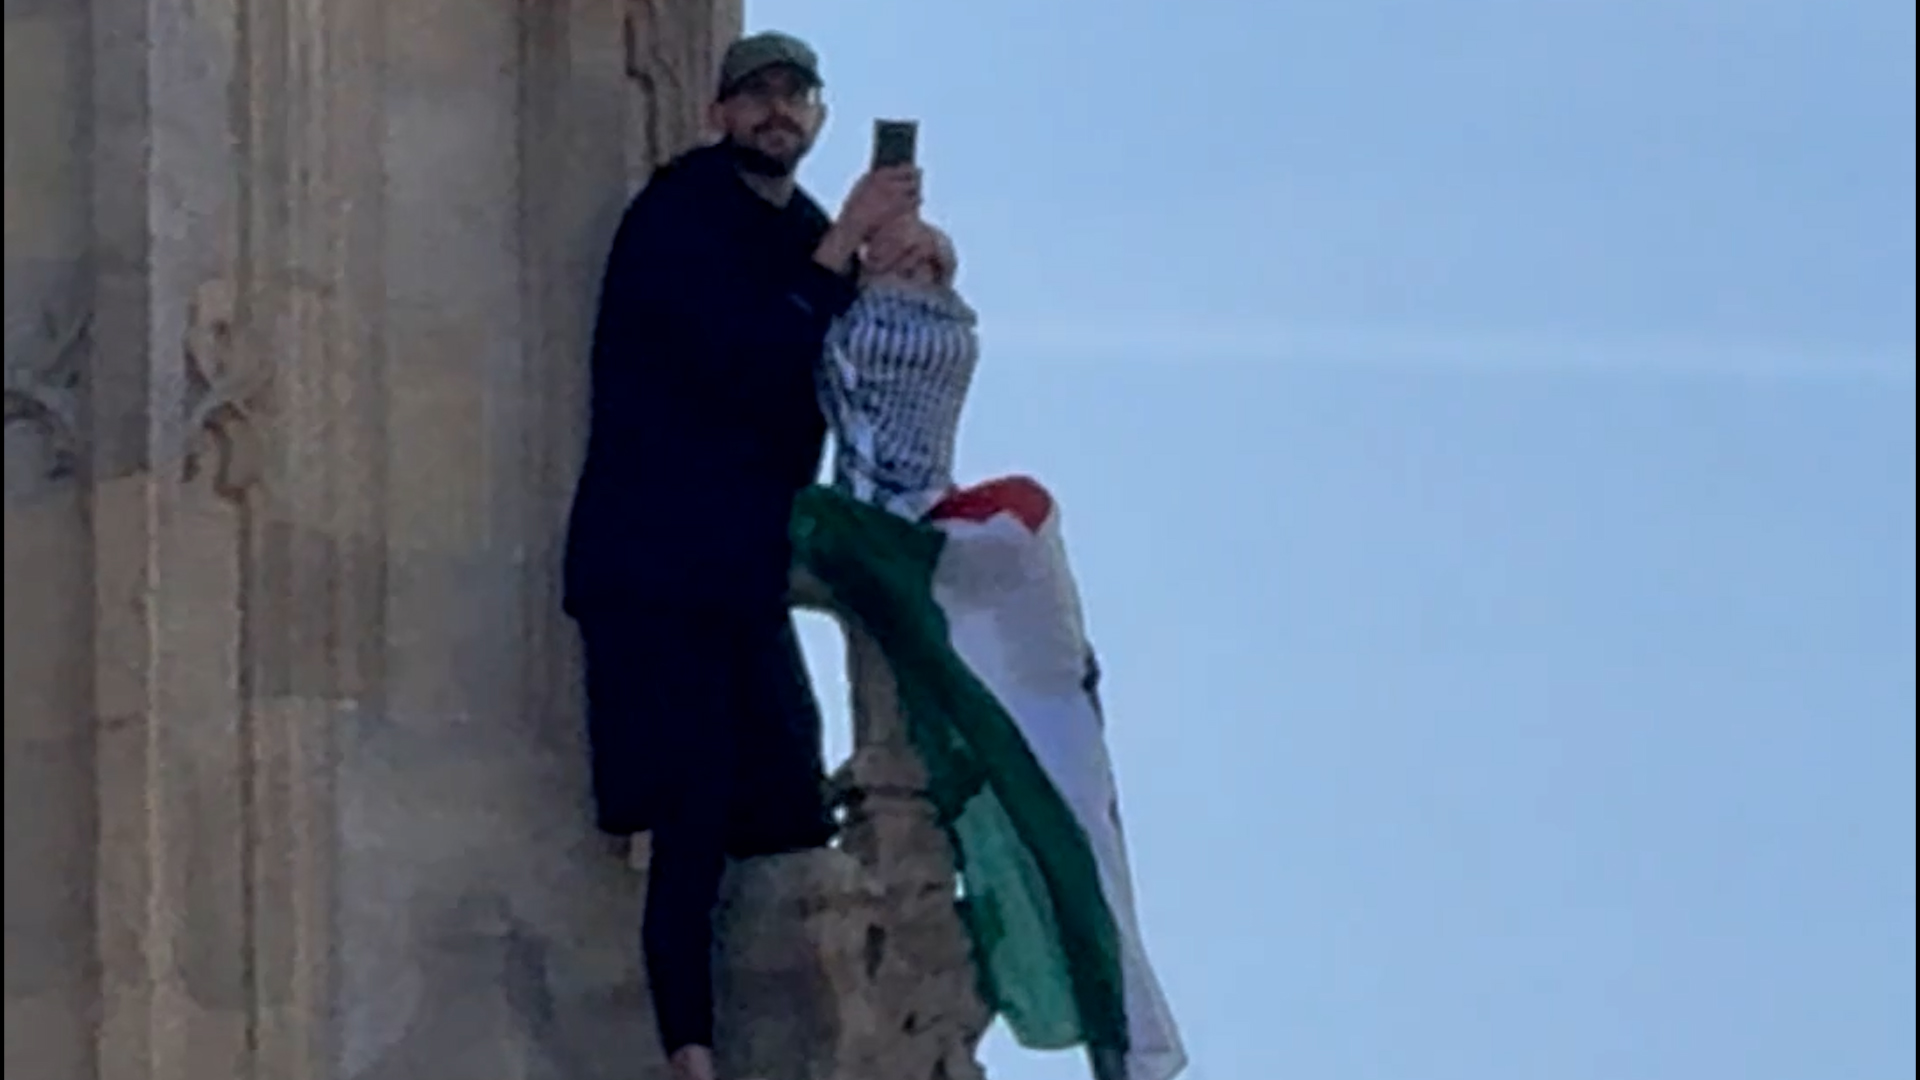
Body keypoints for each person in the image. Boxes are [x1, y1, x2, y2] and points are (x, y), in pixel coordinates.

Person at [560, 30, 932, 1080]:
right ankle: (689, 1051)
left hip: (740, 570)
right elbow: (735, 361)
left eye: (796, 96)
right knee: (691, 808)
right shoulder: (681, 212)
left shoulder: (810, 232)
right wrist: (834, 260)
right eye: (759, 95)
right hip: (654, 562)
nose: (779, 112)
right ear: (721, 112)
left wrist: (905, 269)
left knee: (787, 803)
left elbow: (850, 388)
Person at [810, 217, 1190, 1080]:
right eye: (899, 253)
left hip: (898, 515)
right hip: (883, 515)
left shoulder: (929, 330)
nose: (909, 262)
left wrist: (851, 250)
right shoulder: (887, 317)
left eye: (927, 258)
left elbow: (872, 362)